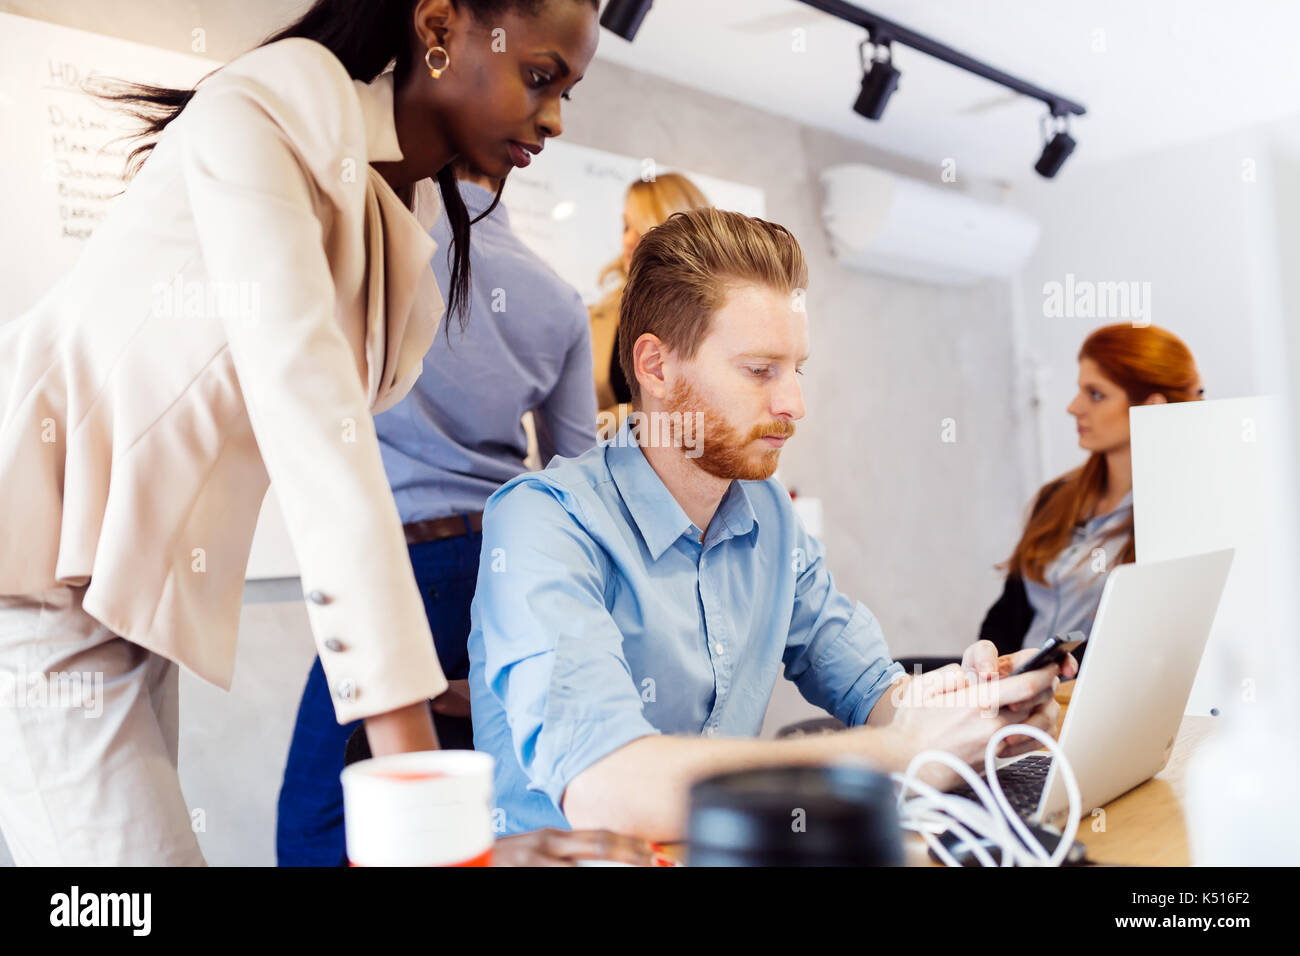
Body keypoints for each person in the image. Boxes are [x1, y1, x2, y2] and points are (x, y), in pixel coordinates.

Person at [0, 0, 602, 865]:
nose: (551, 119)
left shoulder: (412, 206)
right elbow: (312, 418)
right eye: (540, 77)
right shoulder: (283, 102)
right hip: (33, 561)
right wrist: (420, 779)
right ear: (437, 29)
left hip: (117, 590)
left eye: (567, 92)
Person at [467, 208, 1075, 840]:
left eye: (797, 369)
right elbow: (607, 786)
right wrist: (897, 754)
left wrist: (972, 709)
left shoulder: (767, 514)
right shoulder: (542, 522)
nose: (794, 405)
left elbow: (875, 692)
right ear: (655, 367)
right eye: (760, 371)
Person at [276, 161, 598, 866]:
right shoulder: (560, 299)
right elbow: (579, 483)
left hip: (400, 574)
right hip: (507, 575)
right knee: (465, 809)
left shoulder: (380, 247)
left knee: (319, 820)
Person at [979, 324, 1204, 664]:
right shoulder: (1057, 498)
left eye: (1095, 394)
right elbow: (1004, 619)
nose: (1073, 407)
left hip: (1084, 699)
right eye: (1079, 390)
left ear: (1151, 408)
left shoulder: (1179, 517)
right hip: (1018, 693)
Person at [589, 173, 709, 436]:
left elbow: (707, 418)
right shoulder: (594, 320)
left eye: (642, 228)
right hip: (605, 471)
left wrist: (618, 417)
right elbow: (575, 425)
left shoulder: (716, 322)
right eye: (625, 227)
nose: (629, 239)